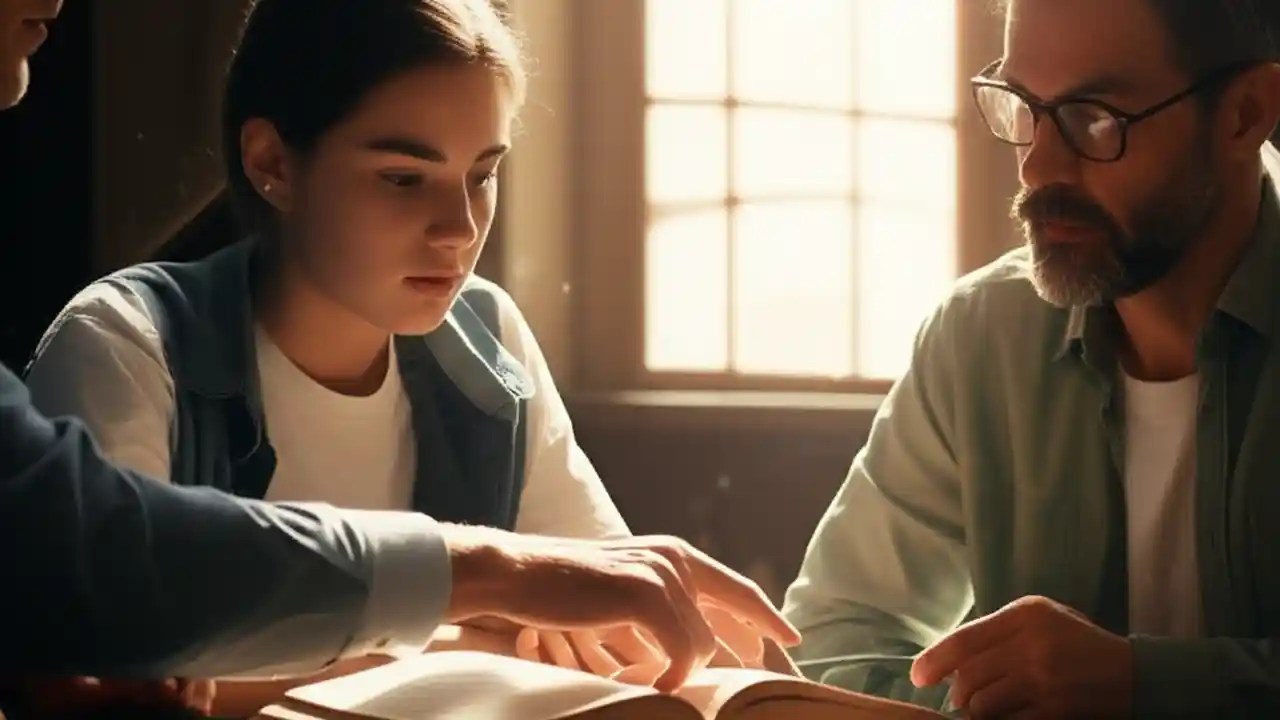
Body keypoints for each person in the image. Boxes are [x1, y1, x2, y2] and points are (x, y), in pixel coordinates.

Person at [0, 0, 798, 709]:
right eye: (403, 178)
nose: (458, 230)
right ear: (272, 164)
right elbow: (123, 656)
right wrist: (470, 633)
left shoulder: (488, 343)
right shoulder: (130, 344)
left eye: (481, 177)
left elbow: (606, 615)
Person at [782, 0, 1280, 717]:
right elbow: (834, 644)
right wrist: (993, 699)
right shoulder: (980, 338)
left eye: (1096, 117)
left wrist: (1142, 686)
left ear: (1245, 113)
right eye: (1021, 105)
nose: (1040, 165)